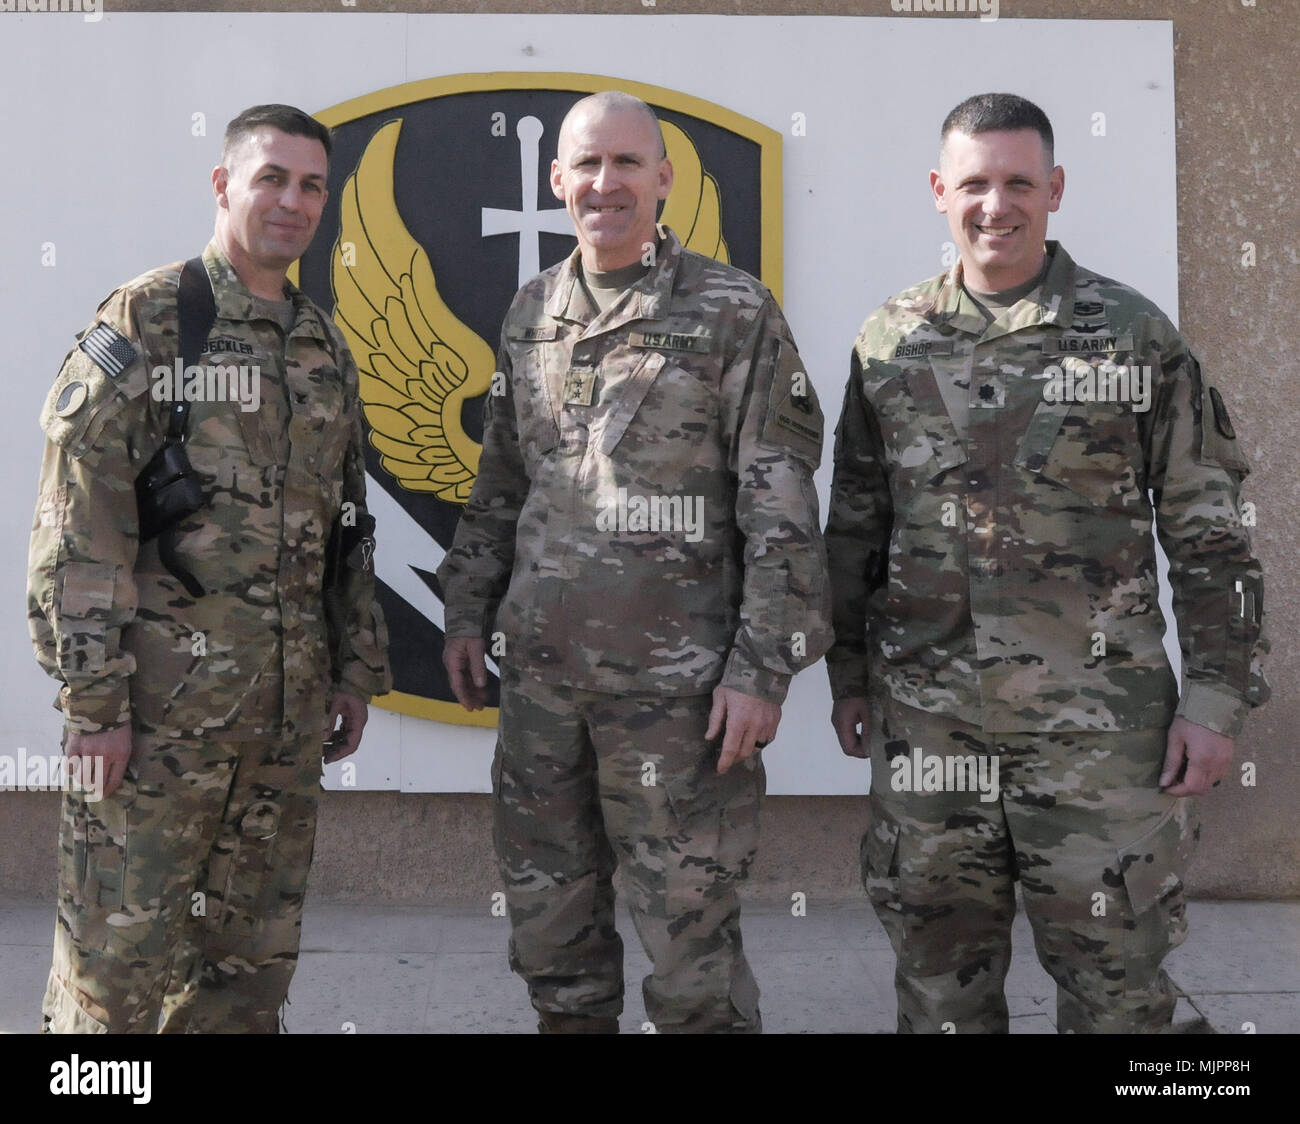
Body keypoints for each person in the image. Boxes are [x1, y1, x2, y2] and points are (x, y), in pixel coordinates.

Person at [825, 92, 1268, 1034]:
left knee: (1124, 998)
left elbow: (1209, 534)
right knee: (941, 990)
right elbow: (856, 530)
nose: (997, 206)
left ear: (1055, 188)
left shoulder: (1133, 337)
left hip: (1100, 739)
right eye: (975, 184)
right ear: (939, 191)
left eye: (1019, 183)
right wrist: (849, 679)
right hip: (931, 732)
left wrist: (1218, 701)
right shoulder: (888, 344)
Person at [437, 90, 832, 1034]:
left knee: (689, 949)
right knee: (552, 936)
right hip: (542, 693)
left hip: (680, 701)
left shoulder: (732, 310)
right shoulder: (533, 314)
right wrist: (464, 610)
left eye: (626, 164)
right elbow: (501, 484)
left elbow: (778, 505)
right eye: (587, 165)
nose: (604, 184)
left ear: (663, 178)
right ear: (556, 179)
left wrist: (761, 666)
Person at [27, 103, 391, 1034]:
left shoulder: (321, 344)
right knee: (116, 980)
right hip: (154, 732)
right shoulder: (150, 318)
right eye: (272, 177)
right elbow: (80, 521)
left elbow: (345, 522)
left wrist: (352, 668)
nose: (293, 201)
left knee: (246, 977)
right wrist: (93, 708)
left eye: (312, 185)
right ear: (225, 184)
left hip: (279, 728)